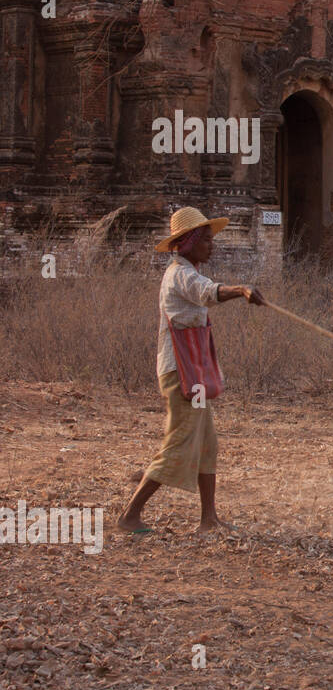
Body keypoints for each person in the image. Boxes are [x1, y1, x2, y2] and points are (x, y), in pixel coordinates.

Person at [117, 207, 265, 534]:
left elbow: (205, 291)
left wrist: (240, 291)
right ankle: (130, 515)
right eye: (207, 240)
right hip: (179, 374)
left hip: (192, 376)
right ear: (189, 242)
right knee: (181, 441)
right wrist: (241, 290)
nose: (212, 246)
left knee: (207, 443)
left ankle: (208, 520)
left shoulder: (188, 270)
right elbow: (207, 292)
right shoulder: (179, 274)